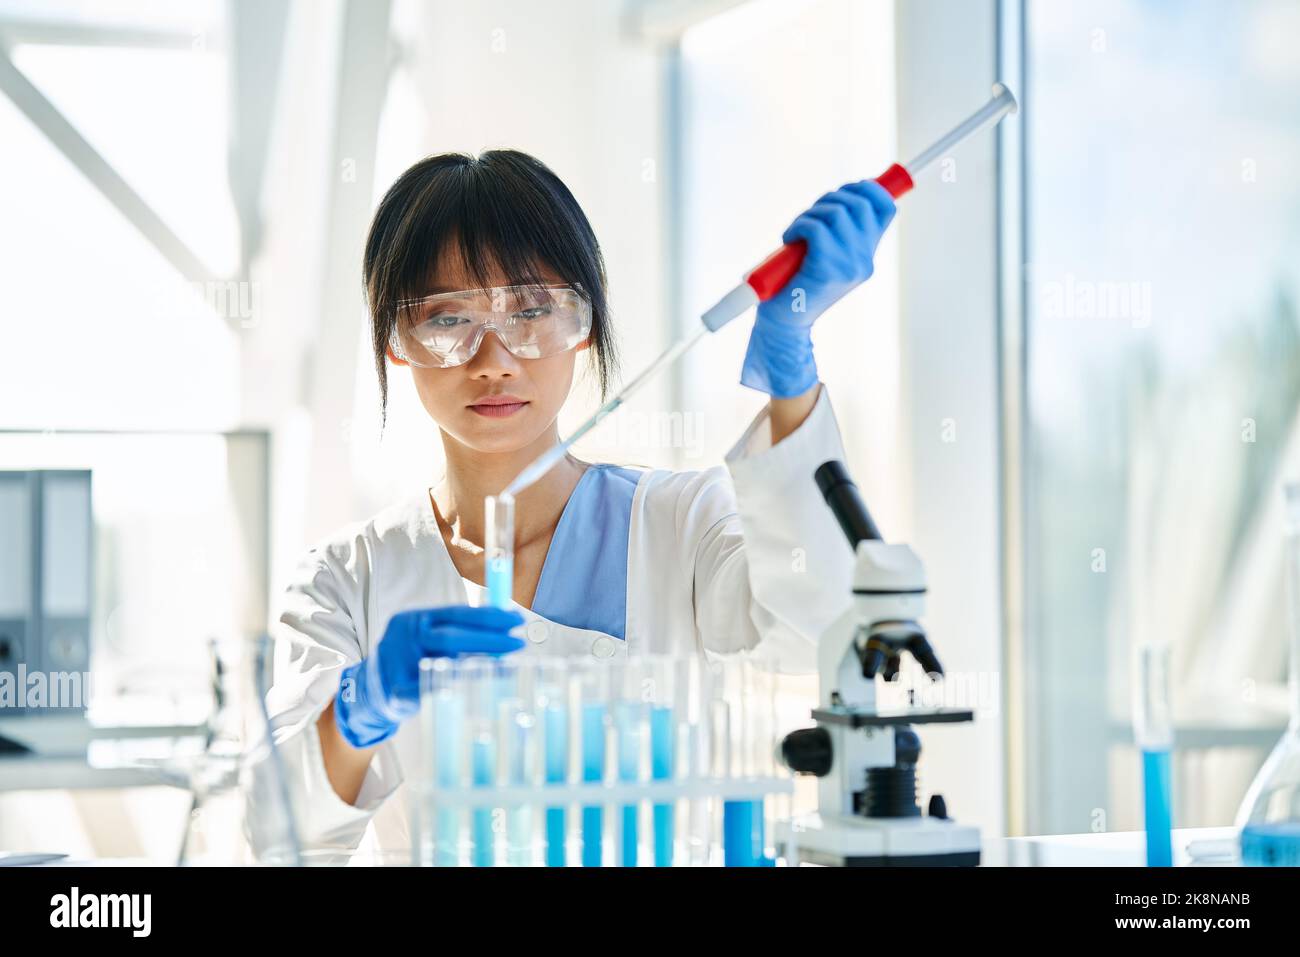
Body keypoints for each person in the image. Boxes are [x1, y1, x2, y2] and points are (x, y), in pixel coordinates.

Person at [268, 149, 896, 851]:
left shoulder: (679, 523)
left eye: (533, 310)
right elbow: (279, 828)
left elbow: (817, 632)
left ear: (587, 322)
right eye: (447, 321)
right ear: (395, 340)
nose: (495, 357)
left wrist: (792, 364)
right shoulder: (345, 579)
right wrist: (360, 705)